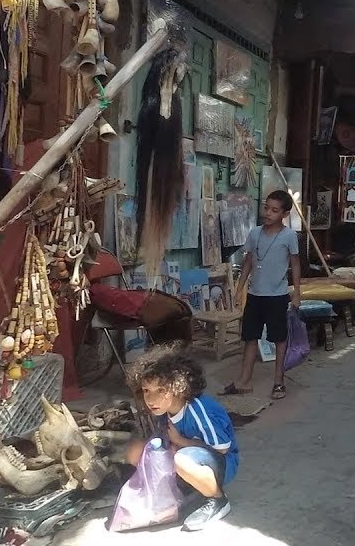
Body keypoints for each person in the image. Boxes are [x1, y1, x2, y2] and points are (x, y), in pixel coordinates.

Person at [127, 345, 238, 531]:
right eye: (146, 390)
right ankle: (191, 486)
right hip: (196, 456)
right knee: (139, 451)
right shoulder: (164, 411)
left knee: (182, 459)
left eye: (161, 390)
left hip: (224, 463)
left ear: (179, 386)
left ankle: (218, 500)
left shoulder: (200, 410)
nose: (151, 399)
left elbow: (222, 449)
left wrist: (181, 442)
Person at [224, 190, 302, 400]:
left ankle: (278, 381)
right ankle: (244, 381)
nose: (268, 213)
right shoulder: (255, 233)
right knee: (249, 338)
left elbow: (295, 265)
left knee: (279, 340)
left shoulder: (289, 236)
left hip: (277, 296)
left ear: (284, 214)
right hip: (255, 295)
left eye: (274, 210)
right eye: (266, 207)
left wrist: (296, 293)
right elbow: (248, 261)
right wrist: (240, 288)